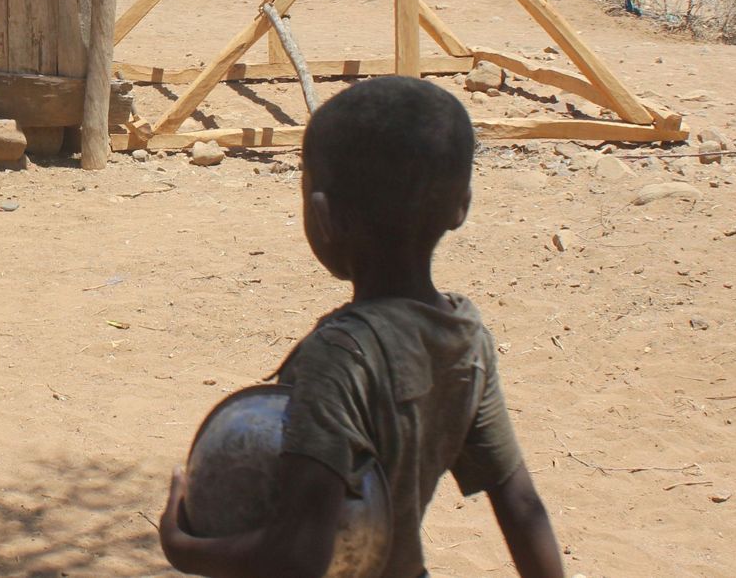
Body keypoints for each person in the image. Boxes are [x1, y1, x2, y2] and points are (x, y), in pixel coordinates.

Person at [158, 77, 564, 578]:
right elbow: (521, 507)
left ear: (322, 216)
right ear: (461, 206)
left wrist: (182, 549)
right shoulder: (465, 335)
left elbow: (303, 554)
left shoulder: (340, 356)